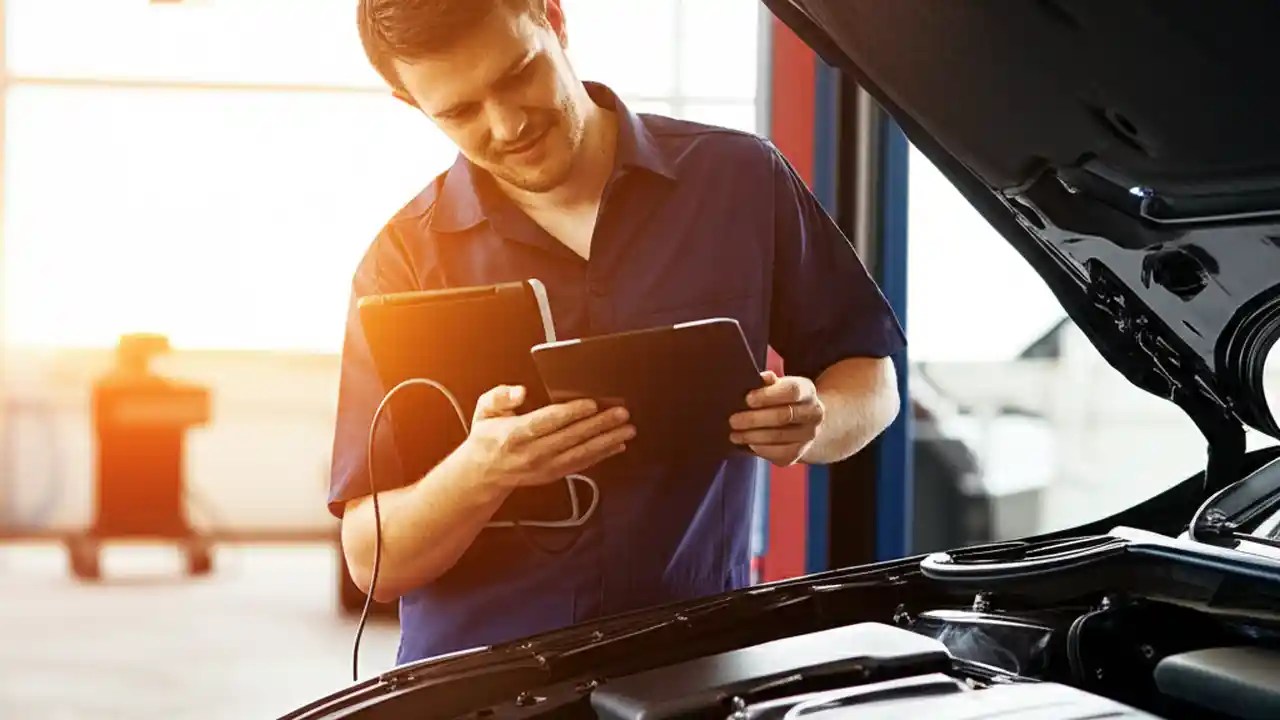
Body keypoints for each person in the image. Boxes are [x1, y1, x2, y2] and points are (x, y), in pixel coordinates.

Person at [331, 0, 906, 665]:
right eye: (460, 112)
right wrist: (481, 472)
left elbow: (870, 375)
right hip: (483, 687)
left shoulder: (740, 181)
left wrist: (817, 421)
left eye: (519, 72)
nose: (508, 123)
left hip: (698, 665)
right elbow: (372, 561)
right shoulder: (401, 262)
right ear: (410, 102)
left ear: (553, 18)